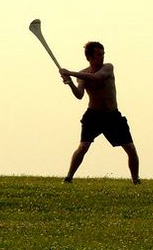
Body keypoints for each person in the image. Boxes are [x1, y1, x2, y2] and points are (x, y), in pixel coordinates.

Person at [59, 41, 140, 184]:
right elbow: (79, 95)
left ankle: (135, 180)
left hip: (112, 115)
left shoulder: (108, 67)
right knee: (83, 147)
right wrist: (70, 82)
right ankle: (69, 177)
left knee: (130, 149)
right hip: (93, 115)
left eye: (103, 54)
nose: (101, 57)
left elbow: (97, 78)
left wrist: (69, 72)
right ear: (89, 57)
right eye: (98, 54)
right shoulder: (83, 74)